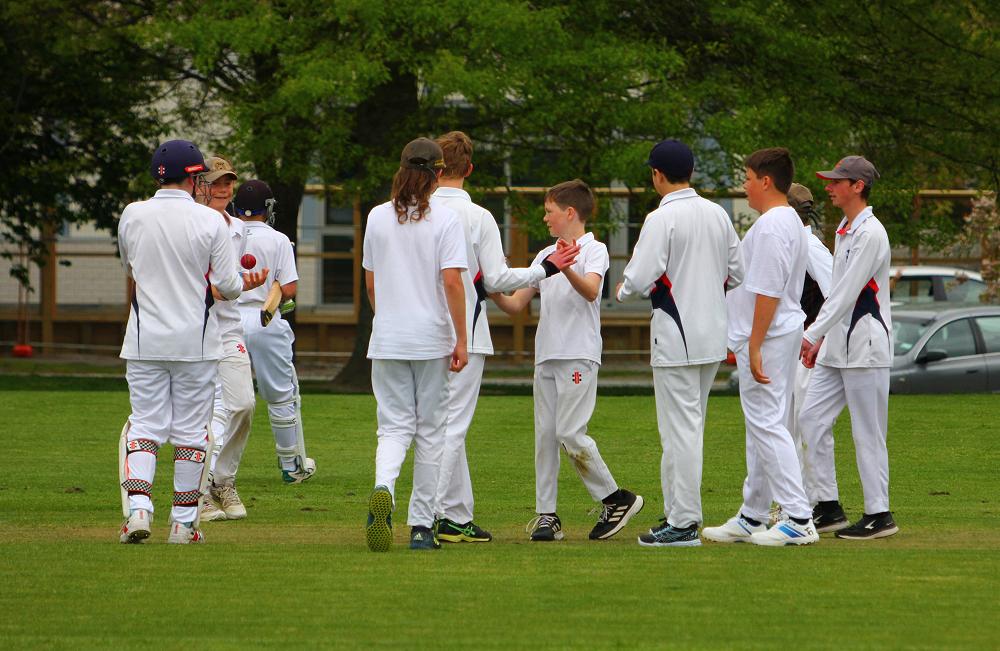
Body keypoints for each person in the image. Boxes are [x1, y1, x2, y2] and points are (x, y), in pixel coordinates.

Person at [430, 131, 580, 544]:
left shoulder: (414, 209)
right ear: (470, 169)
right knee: (452, 427)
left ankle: (457, 515)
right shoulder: (477, 216)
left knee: (436, 424)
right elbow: (496, 278)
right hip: (467, 332)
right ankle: (431, 515)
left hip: (421, 332)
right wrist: (545, 268)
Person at [117, 140, 266, 545]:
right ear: (195, 177)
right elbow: (229, 286)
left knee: (145, 426)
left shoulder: (132, 214)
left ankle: (138, 512)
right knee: (190, 432)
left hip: (145, 340)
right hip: (196, 342)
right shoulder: (210, 221)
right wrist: (243, 282)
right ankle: (183, 524)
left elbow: (131, 265)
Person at [494, 179, 643, 542]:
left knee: (570, 433)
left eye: (550, 212)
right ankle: (547, 516)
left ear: (570, 213)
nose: (545, 218)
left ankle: (616, 498)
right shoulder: (545, 254)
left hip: (579, 353)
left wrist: (563, 267)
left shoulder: (595, 250)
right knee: (545, 437)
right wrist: (488, 287)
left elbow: (592, 291)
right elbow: (515, 304)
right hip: (546, 356)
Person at [614, 139, 743, 547]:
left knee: (681, 433)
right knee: (685, 430)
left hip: (676, 336)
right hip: (710, 337)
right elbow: (737, 272)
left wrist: (621, 291)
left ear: (656, 174)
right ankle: (676, 513)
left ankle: (684, 523)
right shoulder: (717, 215)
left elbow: (636, 277)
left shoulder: (661, 218)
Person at [702, 147, 818, 547]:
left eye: (748, 178)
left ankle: (799, 517)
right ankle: (752, 514)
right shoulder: (786, 222)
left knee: (769, 424)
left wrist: (752, 345)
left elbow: (767, 291)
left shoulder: (771, 227)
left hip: (768, 335)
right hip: (777, 332)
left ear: (765, 181)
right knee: (764, 424)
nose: (744, 186)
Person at [363, 137, 469, 552]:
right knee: (431, 432)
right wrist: (462, 338)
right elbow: (452, 282)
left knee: (392, 427)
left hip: (388, 337)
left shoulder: (376, 217)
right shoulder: (445, 219)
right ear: (439, 174)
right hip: (430, 338)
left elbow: (371, 281)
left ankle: (383, 487)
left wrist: (386, 319)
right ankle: (422, 526)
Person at [798, 156, 898, 539]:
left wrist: (811, 335)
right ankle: (828, 506)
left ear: (858, 186)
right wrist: (822, 338)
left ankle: (879, 514)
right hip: (837, 346)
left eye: (837, 181)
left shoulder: (872, 233)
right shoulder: (844, 227)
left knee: (867, 432)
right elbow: (837, 295)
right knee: (810, 418)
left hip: (865, 344)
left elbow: (843, 295)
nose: (828, 187)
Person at [233, 180, 316, 484]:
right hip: (266, 320)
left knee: (221, 398)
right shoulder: (279, 240)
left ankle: (212, 468)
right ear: (268, 208)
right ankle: (290, 465)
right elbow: (290, 288)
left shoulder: (224, 233)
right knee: (281, 394)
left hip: (228, 321)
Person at [195, 157, 256, 522]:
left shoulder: (237, 227)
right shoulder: (191, 224)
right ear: (201, 185)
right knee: (200, 415)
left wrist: (243, 286)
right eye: (216, 183)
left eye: (228, 182)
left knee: (244, 405)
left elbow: (230, 282)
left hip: (229, 328)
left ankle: (222, 480)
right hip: (196, 330)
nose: (223, 189)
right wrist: (220, 289)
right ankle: (198, 492)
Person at [785, 183, 833, 511]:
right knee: (788, 427)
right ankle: (795, 501)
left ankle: (809, 503)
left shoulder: (809, 245)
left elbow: (837, 294)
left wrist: (818, 337)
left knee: (804, 425)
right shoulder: (793, 242)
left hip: (806, 349)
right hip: (791, 346)